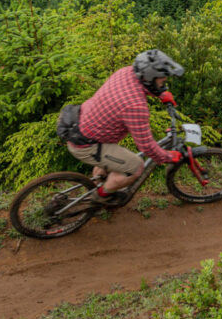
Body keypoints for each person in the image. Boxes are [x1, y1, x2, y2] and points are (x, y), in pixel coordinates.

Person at [60, 49, 185, 206]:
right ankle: (101, 197)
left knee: (113, 159)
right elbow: (146, 147)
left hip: (81, 126)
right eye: (161, 80)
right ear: (150, 78)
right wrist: (167, 157)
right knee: (136, 166)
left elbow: (145, 86)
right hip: (88, 144)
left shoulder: (126, 72)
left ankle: (101, 182)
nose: (164, 82)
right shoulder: (135, 106)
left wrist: (161, 94)